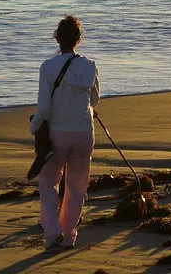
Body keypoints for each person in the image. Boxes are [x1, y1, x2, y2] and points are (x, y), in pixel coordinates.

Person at [29, 15, 100, 250]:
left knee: (48, 183)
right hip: (83, 132)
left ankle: (52, 233)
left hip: (58, 133)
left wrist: (34, 126)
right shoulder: (89, 65)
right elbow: (94, 100)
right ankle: (69, 236)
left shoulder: (48, 67)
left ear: (57, 38)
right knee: (77, 187)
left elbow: (44, 107)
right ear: (79, 39)